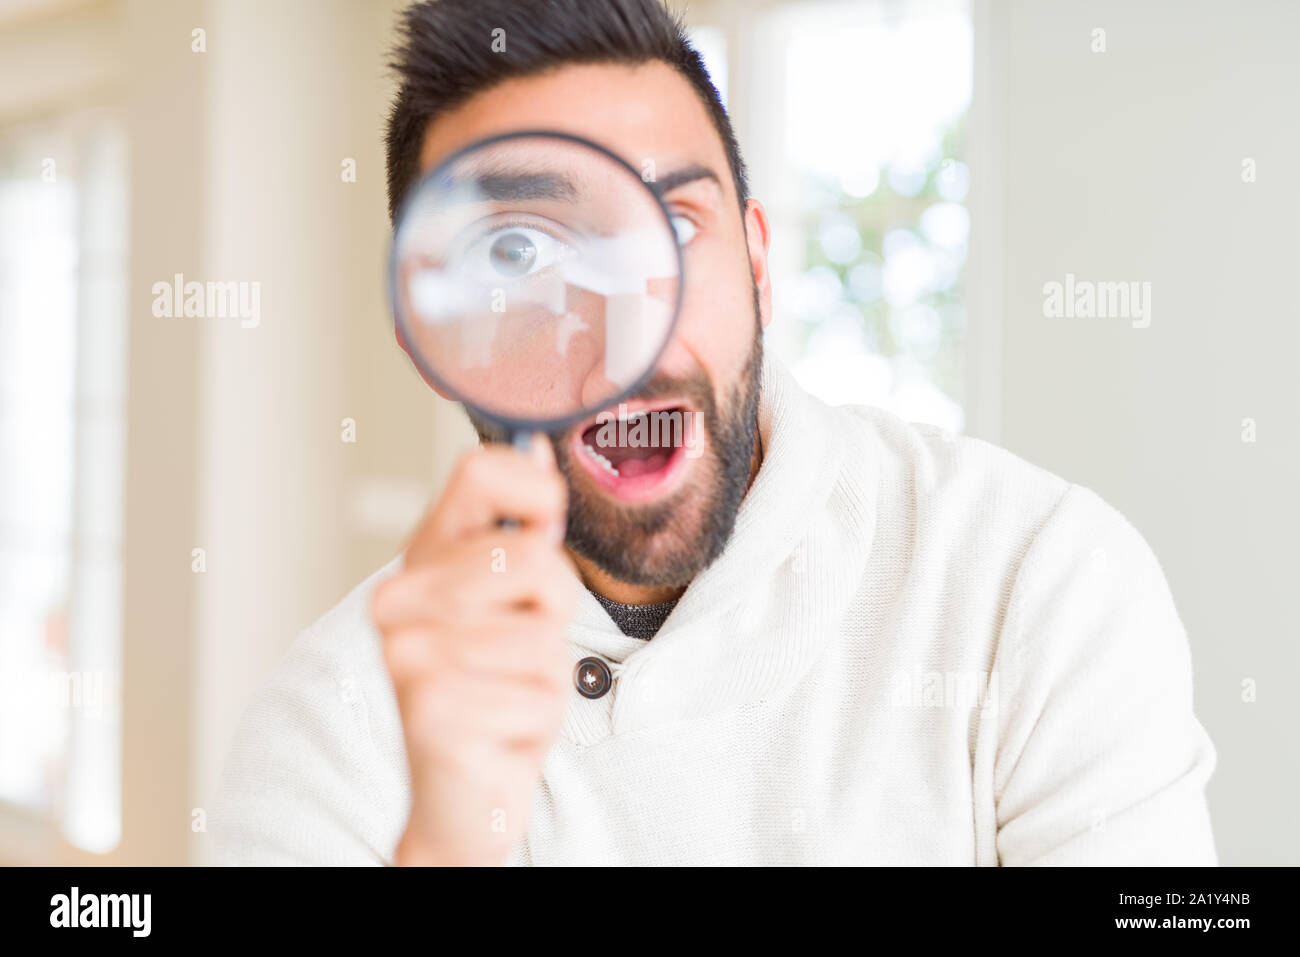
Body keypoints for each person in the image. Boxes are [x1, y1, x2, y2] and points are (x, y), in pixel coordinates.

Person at [212, 0, 1217, 866]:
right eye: (518, 250)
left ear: (758, 264)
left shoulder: (1035, 584)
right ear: (430, 330)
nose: (615, 334)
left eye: (671, 222)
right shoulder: (333, 728)